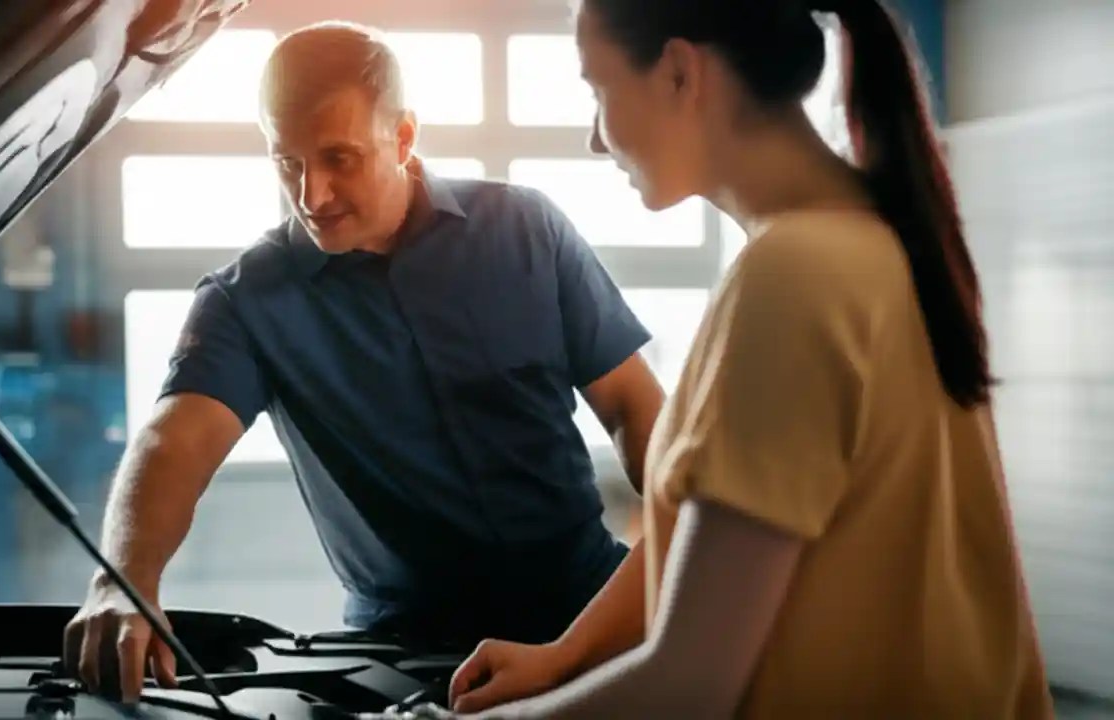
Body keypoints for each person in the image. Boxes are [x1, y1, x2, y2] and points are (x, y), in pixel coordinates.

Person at [400, 0, 1056, 718]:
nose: (594, 138)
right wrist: (566, 654)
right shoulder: (869, 240)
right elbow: (713, 549)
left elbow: (688, 686)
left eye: (598, 90)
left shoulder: (795, 275)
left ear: (680, 74)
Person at [61, 20, 667, 705]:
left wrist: (693, 544)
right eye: (288, 163)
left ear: (403, 137)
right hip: (407, 664)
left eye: (338, 159)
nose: (311, 195)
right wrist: (124, 579)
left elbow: (633, 409)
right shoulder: (246, 301)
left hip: (592, 618)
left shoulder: (526, 227)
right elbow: (175, 441)